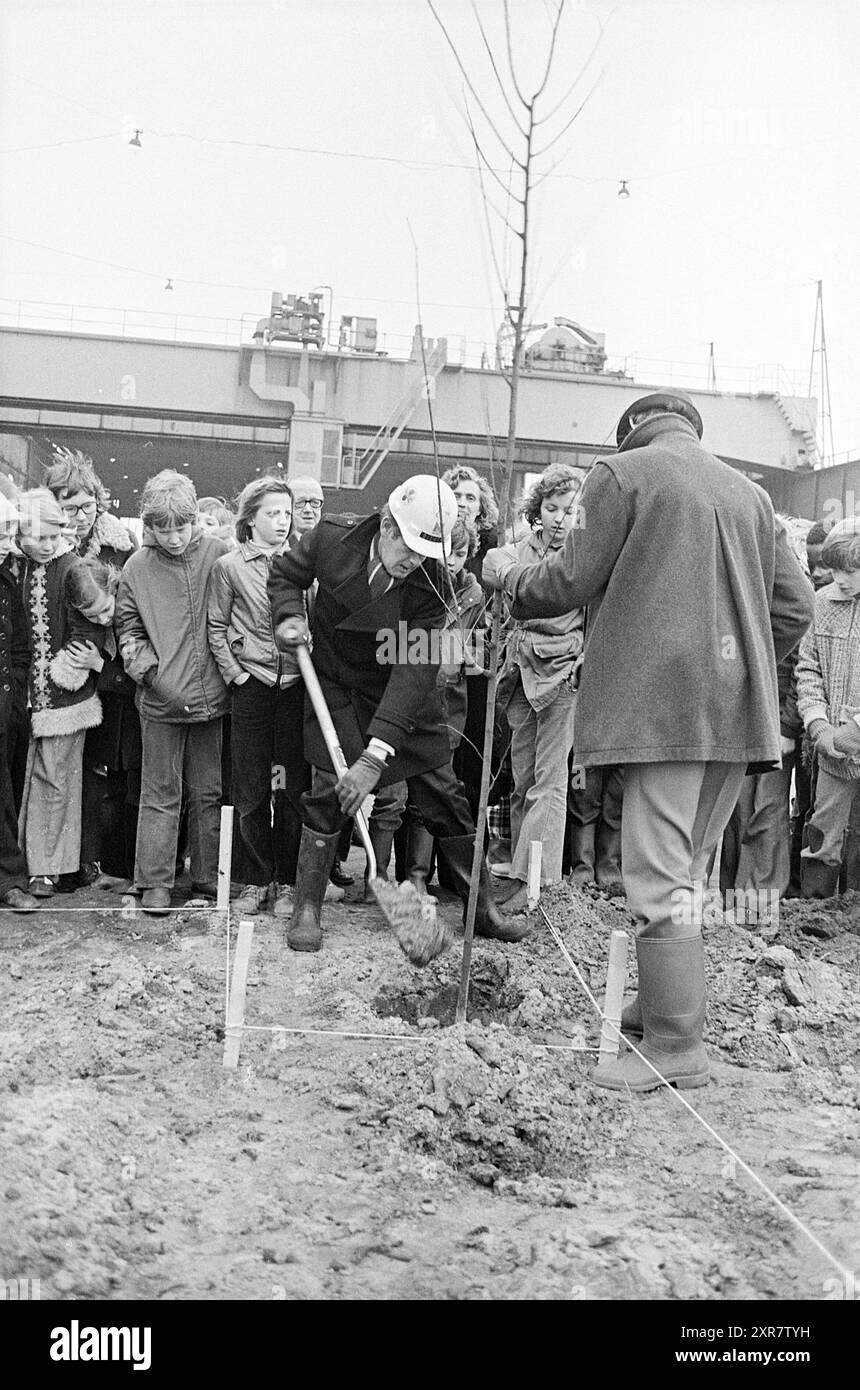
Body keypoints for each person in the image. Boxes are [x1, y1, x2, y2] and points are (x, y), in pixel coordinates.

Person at [484, 390, 814, 1091]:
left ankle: (674, 1043)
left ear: (631, 431)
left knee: (658, 876)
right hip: (737, 716)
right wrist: (738, 667)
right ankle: (665, 1005)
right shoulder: (750, 494)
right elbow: (797, 606)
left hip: (664, 714)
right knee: (686, 869)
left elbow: (564, 583)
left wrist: (503, 574)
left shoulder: (622, 474)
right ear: (692, 429)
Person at [268, 475, 525, 953]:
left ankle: (481, 907)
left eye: (426, 550)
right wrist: (289, 615)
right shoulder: (329, 539)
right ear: (386, 525)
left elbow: (415, 671)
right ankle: (307, 907)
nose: (414, 561)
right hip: (338, 685)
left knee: (444, 796)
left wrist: (376, 755)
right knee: (329, 788)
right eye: (408, 547)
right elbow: (285, 575)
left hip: (402, 695)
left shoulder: (434, 581)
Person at [115, 471, 229, 915]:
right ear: (149, 526)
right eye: (162, 529)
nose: (174, 538)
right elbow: (128, 628)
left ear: (194, 517)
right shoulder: (136, 567)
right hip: (160, 700)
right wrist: (149, 673)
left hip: (213, 697)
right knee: (160, 791)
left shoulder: (219, 554)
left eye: (181, 527)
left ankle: (205, 876)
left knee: (209, 791)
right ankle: (155, 881)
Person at [489, 464, 586, 915]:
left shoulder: (587, 558)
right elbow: (493, 566)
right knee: (522, 775)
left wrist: (586, 659)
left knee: (551, 780)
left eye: (570, 510)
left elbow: (601, 615)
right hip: (519, 670)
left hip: (564, 672)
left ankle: (537, 881)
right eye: (552, 508)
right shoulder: (517, 550)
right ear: (538, 510)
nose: (560, 518)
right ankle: (515, 869)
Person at [208, 476, 305, 918]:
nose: (282, 521)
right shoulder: (229, 567)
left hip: (293, 692)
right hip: (253, 691)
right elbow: (216, 628)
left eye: (286, 512)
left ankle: (286, 882)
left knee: (288, 787)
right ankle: (252, 879)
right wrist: (237, 677)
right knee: (250, 788)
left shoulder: (302, 567)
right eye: (272, 512)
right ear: (250, 518)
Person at [43, 448, 139, 889]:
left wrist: (106, 663)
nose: (81, 515)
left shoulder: (121, 549)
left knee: (103, 775)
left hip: (110, 677)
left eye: (88, 505)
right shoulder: (47, 548)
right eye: (70, 507)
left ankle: (92, 860)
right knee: (61, 772)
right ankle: (59, 861)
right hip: (62, 678)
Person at [17, 491, 116, 898]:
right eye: (35, 536)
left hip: (65, 699)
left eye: (52, 536)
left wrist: (67, 672)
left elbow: (89, 626)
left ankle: (47, 869)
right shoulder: (15, 567)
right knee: (22, 778)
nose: (44, 544)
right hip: (22, 695)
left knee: (56, 780)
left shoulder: (72, 567)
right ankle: (20, 862)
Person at [795, 518, 860, 897]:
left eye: (850, 571)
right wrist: (818, 724)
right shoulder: (821, 604)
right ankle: (812, 914)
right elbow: (808, 669)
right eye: (835, 570)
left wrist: (855, 727)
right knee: (822, 832)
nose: (841, 579)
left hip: (849, 737)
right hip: (833, 753)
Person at [0, 494, 37, 911]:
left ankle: (8, 879)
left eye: (10, 533)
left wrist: (15, 686)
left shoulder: (7, 580)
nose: (7, 542)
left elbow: (21, 645)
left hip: (7, 709)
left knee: (4, 793)